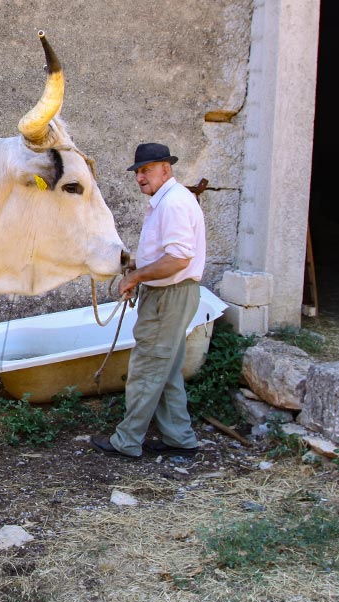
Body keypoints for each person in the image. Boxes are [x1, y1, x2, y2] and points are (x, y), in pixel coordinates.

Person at [91, 143, 206, 459]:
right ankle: (179, 438)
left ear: (165, 169)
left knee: (146, 369)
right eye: (138, 171)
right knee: (165, 370)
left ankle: (127, 441)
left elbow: (179, 259)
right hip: (171, 295)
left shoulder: (173, 204)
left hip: (170, 296)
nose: (140, 177)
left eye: (147, 170)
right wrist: (137, 268)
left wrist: (135, 277)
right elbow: (167, 255)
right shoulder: (165, 201)